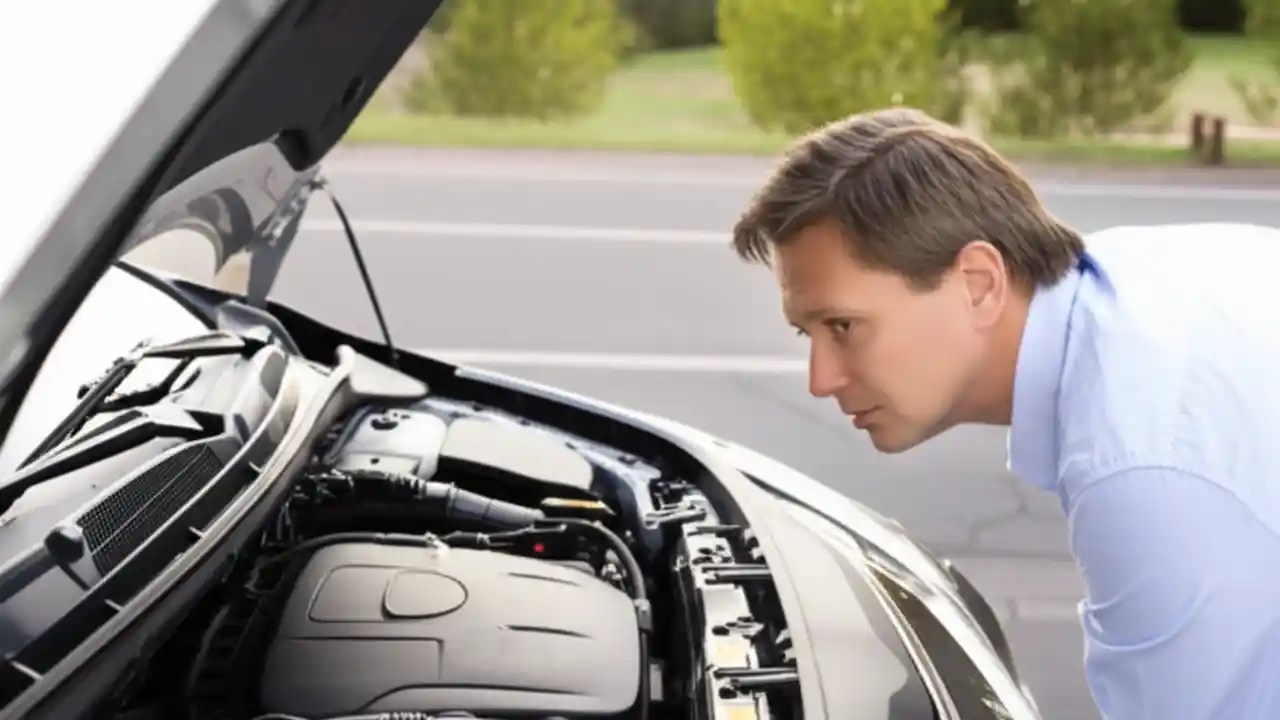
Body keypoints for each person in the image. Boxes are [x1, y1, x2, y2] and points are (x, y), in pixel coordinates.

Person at [730, 106, 1280, 719]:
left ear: (979, 282)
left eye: (844, 325)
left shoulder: (1145, 461)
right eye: (810, 335)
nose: (821, 379)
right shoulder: (1147, 278)